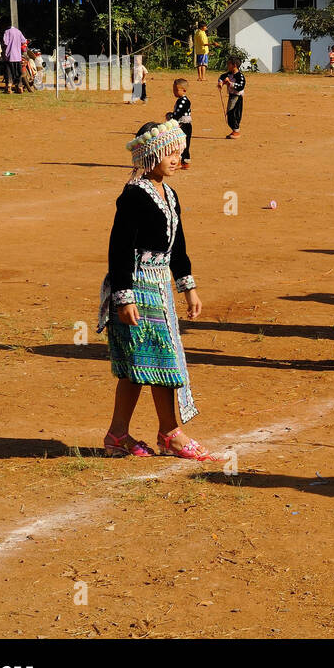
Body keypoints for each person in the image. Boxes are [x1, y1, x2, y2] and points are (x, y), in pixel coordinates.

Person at [96, 120, 216, 461]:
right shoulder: (134, 195)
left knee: (146, 364)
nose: (178, 159)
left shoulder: (170, 194)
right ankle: (169, 434)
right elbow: (119, 248)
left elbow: (177, 247)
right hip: (138, 287)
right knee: (153, 362)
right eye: (171, 153)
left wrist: (187, 287)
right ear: (150, 155)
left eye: (179, 152)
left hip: (160, 286)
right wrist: (124, 296)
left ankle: (120, 434)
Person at [167, 78, 193, 169]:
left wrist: (171, 117)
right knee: (182, 143)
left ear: (184, 90)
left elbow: (178, 113)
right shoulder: (180, 100)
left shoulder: (183, 101)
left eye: (176, 90)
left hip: (184, 125)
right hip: (183, 124)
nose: (174, 91)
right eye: (173, 89)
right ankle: (184, 162)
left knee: (181, 143)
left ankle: (181, 162)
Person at [218, 59, 246, 139]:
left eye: (229, 64)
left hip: (237, 97)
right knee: (230, 113)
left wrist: (230, 83)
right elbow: (222, 77)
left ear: (234, 65)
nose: (227, 66)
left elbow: (240, 87)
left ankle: (236, 131)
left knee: (233, 113)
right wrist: (221, 82)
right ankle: (235, 130)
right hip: (231, 96)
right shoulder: (229, 74)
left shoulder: (240, 76)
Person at [2, 22, 26, 93]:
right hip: (18, 56)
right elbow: (24, 41)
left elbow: (5, 43)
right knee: (18, 72)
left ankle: (9, 87)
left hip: (9, 56)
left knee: (8, 72)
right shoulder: (18, 31)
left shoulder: (7, 31)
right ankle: (19, 87)